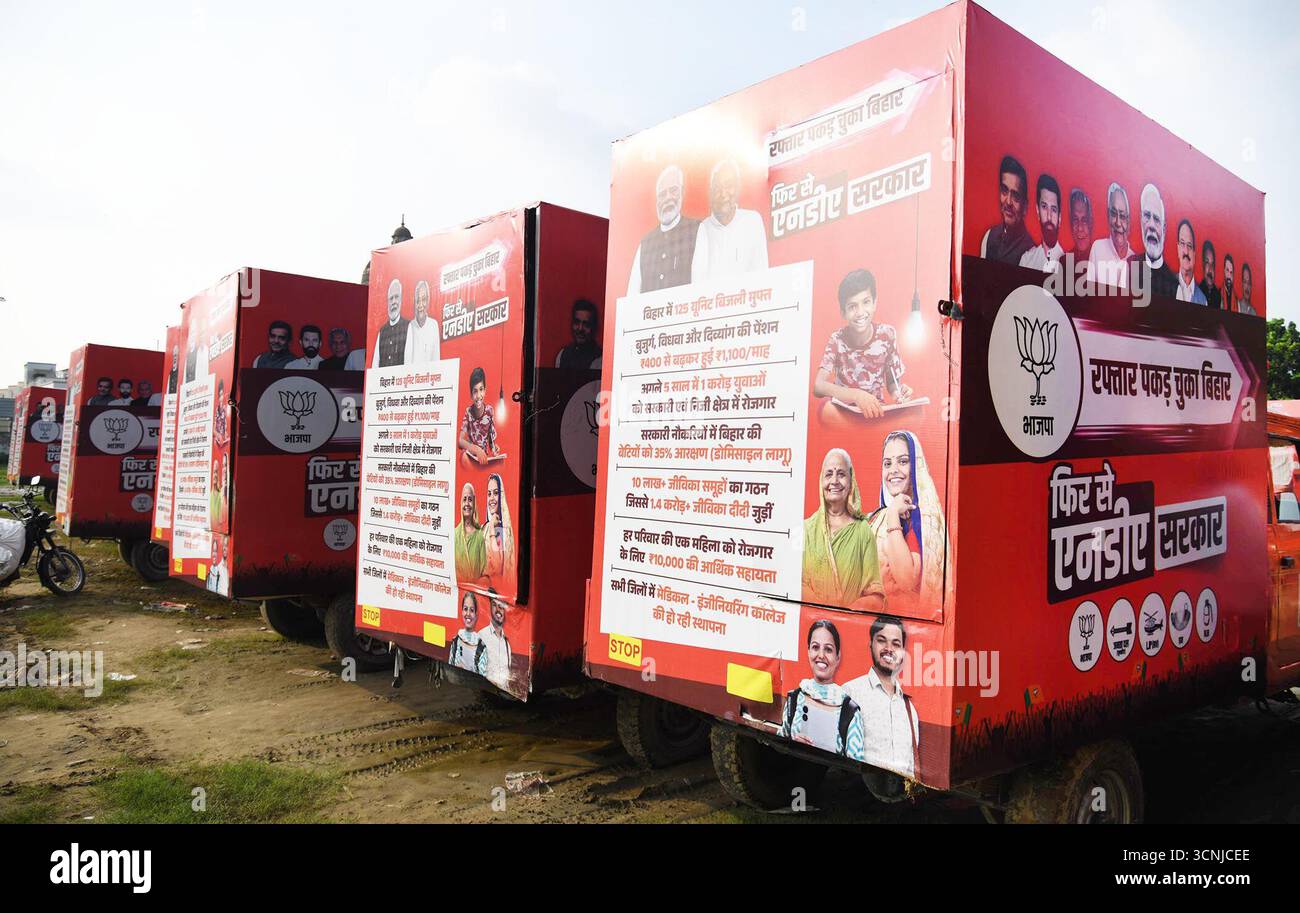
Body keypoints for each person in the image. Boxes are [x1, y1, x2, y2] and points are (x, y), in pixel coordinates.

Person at [868, 431, 949, 613]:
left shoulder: (925, 522)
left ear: (916, 466)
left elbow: (905, 580)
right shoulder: (875, 519)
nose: (893, 470)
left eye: (903, 461)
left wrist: (893, 515)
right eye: (887, 463)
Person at [813, 269, 911, 419]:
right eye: (852, 306)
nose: (860, 312)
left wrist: (898, 393)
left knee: (916, 413)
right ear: (843, 312)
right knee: (826, 410)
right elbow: (818, 386)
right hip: (845, 413)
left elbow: (892, 383)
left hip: (876, 412)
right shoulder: (837, 339)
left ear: (874, 303)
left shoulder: (887, 334)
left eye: (866, 302)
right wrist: (857, 396)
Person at [802, 449, 886, 610]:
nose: (834, 481)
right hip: (813, 624)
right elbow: (795, 584)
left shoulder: (863, 531)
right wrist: (825, 611)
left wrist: (847, 612)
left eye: (841, 474)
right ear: (821, 481)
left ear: (851, 481)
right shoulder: (806, 530)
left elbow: (876, 597)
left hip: (848, 624)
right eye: (828, 474)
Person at [843, 615, 921, 779]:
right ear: (870, 644)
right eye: (881, 640)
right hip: (861, 790)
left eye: (896, 644)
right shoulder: (851, 692)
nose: (889, 648)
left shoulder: (909, 709)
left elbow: (912, 768)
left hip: (897, 796)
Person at [778, 620, 865, 761]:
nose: (821, 655)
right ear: (808, 652)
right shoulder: (795, 698)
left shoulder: (850, 712)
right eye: (815, 647)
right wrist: (793, 744)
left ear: (838, 657)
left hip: (830, 781)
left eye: (828, 649)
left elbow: (855, 770)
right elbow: (779, 746)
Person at [627, 164, 700, 295]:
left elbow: (701, 287)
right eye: (662, 194)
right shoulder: (645, 244)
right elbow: (632, 296)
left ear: (682, 193)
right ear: (657, 201)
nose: (667, 198)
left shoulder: (697, 230)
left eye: (673, 190)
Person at [690, 159, 768, 281]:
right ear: (710, 192)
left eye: (729, 186)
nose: (723, 193)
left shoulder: (752, 221)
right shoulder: (702, 228)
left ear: (737, 189)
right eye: (717, 187)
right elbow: (696, 282)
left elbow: (761, 273)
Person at [979, 155, 1033, 265]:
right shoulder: (989, 236)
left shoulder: (1031, 253)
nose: (1008, 202)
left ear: (1025, 206)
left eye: (1016, 196)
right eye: (1004, 190)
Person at [1087, 182, 1137, 289]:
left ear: (1128, 221)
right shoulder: (1098, 248)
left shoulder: (1135, 261)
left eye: (1122, 216)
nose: (1118, 223)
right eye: (1114, 214)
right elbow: (1088, 294)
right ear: (1108, 215)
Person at [1137, 184, 1177, 299]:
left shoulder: (1174, 284)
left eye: (1156, 219)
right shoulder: (1129, 266)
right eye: (1147, 216)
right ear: (1140, 220)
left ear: (1164, 229)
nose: (1151, 225)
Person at [1019, 173, 1064, 273]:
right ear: (1038, 211)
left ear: (1059, 217)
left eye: (1053, 209)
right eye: (1044, 207)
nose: (1049, 216)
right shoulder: (1027, 261)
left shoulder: (1069, 265)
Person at [458, 367, 499, 463]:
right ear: (471, 394)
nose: (479, 395)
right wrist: (476, 449)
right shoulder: (468, 412)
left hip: (484, 459)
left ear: (485, 390)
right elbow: (460, 441)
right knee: (463, 457)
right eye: (475, 391)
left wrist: (494, 449)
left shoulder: (489, 411)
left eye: (481, 389)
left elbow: (491, 439)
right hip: (471, 457)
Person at [483, 472, 516, 583]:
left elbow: (496, 567)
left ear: (501, 496)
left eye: (496, 493)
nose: (492, 498)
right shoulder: (484, 529)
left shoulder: (503, 530)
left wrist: (493, 527)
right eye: (489, 494)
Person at [448, 591, 488, 675]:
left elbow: (483, 676)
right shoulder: (455, 641)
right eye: (465, 609)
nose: (468, 614)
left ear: (476, 615)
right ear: (462, 611)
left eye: (472, 610)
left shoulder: (481, 647)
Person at [372, 279, 410, 368]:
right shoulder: (382, 331)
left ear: (401, 300)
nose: (393, 302)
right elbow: (375, 365)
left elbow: (409, 364)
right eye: (391, 298)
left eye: (396, 297)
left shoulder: (408, 326)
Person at [478, 589, 511, 691]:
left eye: (501, 606)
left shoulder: (507, 643)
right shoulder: (481, 636)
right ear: (490, 607)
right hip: (490, 689)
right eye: (494, 605)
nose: (498, 609)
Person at [454, 482, 486, 581]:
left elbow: (484, 571)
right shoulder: (455, 535)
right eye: (464, 499)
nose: (467, 504)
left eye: (470, 500)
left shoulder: (480, 535)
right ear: (460, 503)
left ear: (474, 503)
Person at [555, 299, 601, 369]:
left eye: (586, 324)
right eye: (577, 322)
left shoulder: (600, 359)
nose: (580, 329)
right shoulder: (562, 355)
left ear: (594, 327)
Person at [404, 280, 441, 366]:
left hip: (430, 376)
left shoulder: (433, 325)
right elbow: (407, 362)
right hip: (412, 377)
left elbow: (436, 359)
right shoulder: (410, 326)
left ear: (428, 300)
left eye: (423, 299)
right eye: (418, 300)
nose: (420, 305)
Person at [1174, 219, 1208, 304]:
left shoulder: (1203, 300)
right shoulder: (1166, 286)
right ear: (1178, 248)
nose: (1186, 251)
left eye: (1189, 245)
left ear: (1194, 254)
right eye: (1182, 243)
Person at [1068, 188, 1094, 262]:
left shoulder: (1101, 260)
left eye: (1084, 220)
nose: (1080, 228)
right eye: (1075, 220)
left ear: (1091, 223)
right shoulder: (1064, 262)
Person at [1199, 240, 1222, 309]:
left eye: (1212, 264)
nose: (1210, 269)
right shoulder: (1197, 291)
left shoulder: (1218, 295)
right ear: (1203, 265)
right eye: (1207, 262)